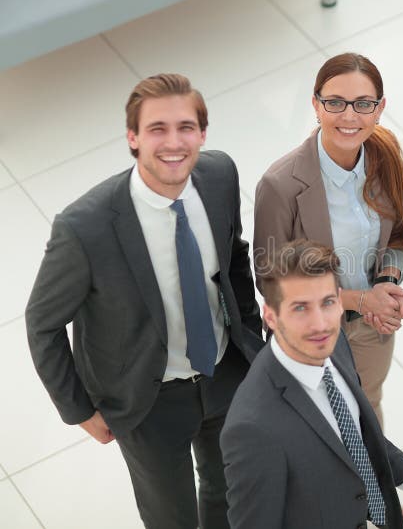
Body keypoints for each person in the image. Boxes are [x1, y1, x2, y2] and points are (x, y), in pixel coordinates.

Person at [25, 73, 265, 529]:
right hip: (146, 400)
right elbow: (42, 325)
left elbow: (234, 255)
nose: (173, 142)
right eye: (157, 129)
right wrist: (79, 410)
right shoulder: (84, 227)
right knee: (171, 518)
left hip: (226, 374)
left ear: (202, 134)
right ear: (132, 137)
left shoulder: (219, 176)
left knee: (230, 495)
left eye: (185, 127)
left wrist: (250, 339)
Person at [221, 239, 403, 528]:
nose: (320, 324)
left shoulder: (335, 343)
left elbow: (355, 429)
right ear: (270, 316)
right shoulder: (252, 428)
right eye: (300, 308)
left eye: (327, 303)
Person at [253, 52, 403, 428]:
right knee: (317, 426)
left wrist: (386, 284)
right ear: (316, 104)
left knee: (366, 413)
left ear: (379, 109)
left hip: (370, 327)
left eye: (363, 104)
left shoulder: (385, 156)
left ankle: (372, 484)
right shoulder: (279, 185)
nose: (349, 116)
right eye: (335, 102)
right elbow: (270, 279)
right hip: (308, 329)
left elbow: (401, 233)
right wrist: (361, 298)